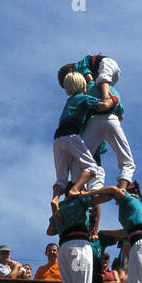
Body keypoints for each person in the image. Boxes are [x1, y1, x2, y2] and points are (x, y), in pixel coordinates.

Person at [52, 71, 115, 200]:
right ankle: (75, 189)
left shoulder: (69, 101)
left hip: (57, 139)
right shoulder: (82, 98)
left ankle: (55, 200)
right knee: (92, 167)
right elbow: (103, 105)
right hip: (70, 136)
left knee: (61, 179)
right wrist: (113, 100)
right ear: (82, 85)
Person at [47, 190, 94, 283]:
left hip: (64, 248)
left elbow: (50, 231)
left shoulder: (61, 207)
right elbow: (99, 200)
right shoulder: (80, 201)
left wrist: (64, 222)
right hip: (78, 245)